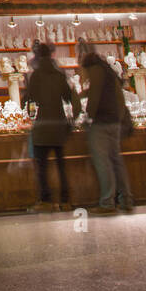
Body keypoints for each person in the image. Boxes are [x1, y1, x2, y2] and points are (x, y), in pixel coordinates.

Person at [23, 44, 80, 211]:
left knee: (42, 166)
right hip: (59, 125)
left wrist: (30, 116)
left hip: (42, 126)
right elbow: (70, 98)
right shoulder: (59, 75)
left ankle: (46, 201)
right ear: (51, 55)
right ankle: (65, 200)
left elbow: (30, 100)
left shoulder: (36, 76)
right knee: (61, 165)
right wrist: (72, 119)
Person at [81, 50, 134, 214]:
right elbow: (115, 97)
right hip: (114, 122)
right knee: (116, 162)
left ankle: (107, 203)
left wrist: (87, 115)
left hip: (102, 123)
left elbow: (95, 97)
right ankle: (126, 200)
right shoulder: (108, 72)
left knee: (103, 162)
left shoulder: (96, 71)